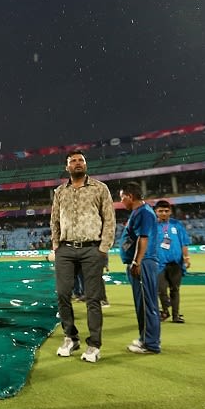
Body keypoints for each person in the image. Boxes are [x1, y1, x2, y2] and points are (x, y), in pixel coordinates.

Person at [50, 150, 116, 363]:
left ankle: (94, 344)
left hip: (91, 249)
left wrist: (103, 248)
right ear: (67, 167)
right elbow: (54, 221)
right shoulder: (60, 191)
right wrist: (56, 246)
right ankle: (70, 337)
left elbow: (109, 218)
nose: (77, 163)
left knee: (93, 298)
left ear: (86, 164)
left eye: (81, 160)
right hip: (65, 250)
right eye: (73, 161)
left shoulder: (100, 188)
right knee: (62, 294)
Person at [119, 182, 161, 354]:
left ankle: (150, 344)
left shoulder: (143, 212)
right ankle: (145, 338)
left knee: (146, 304)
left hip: (143, 263)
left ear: (130, 196)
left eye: (122, 197)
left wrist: (136, 262)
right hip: (141, 262)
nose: (121, 201)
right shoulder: (140, 212)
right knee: (142, 304)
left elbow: (143, 239)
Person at [154, 199, 191, 323]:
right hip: (159, 263)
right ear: (156, 212)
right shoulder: (152, 226)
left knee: (175, 290)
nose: (163, 213)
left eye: (166, 211)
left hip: (176, 263)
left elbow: (184, 242)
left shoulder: (177, 225)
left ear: (170, 212)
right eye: (160, 211)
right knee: (161, 289)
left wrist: (186, 258)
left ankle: (175, 315)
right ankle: (165, 310)